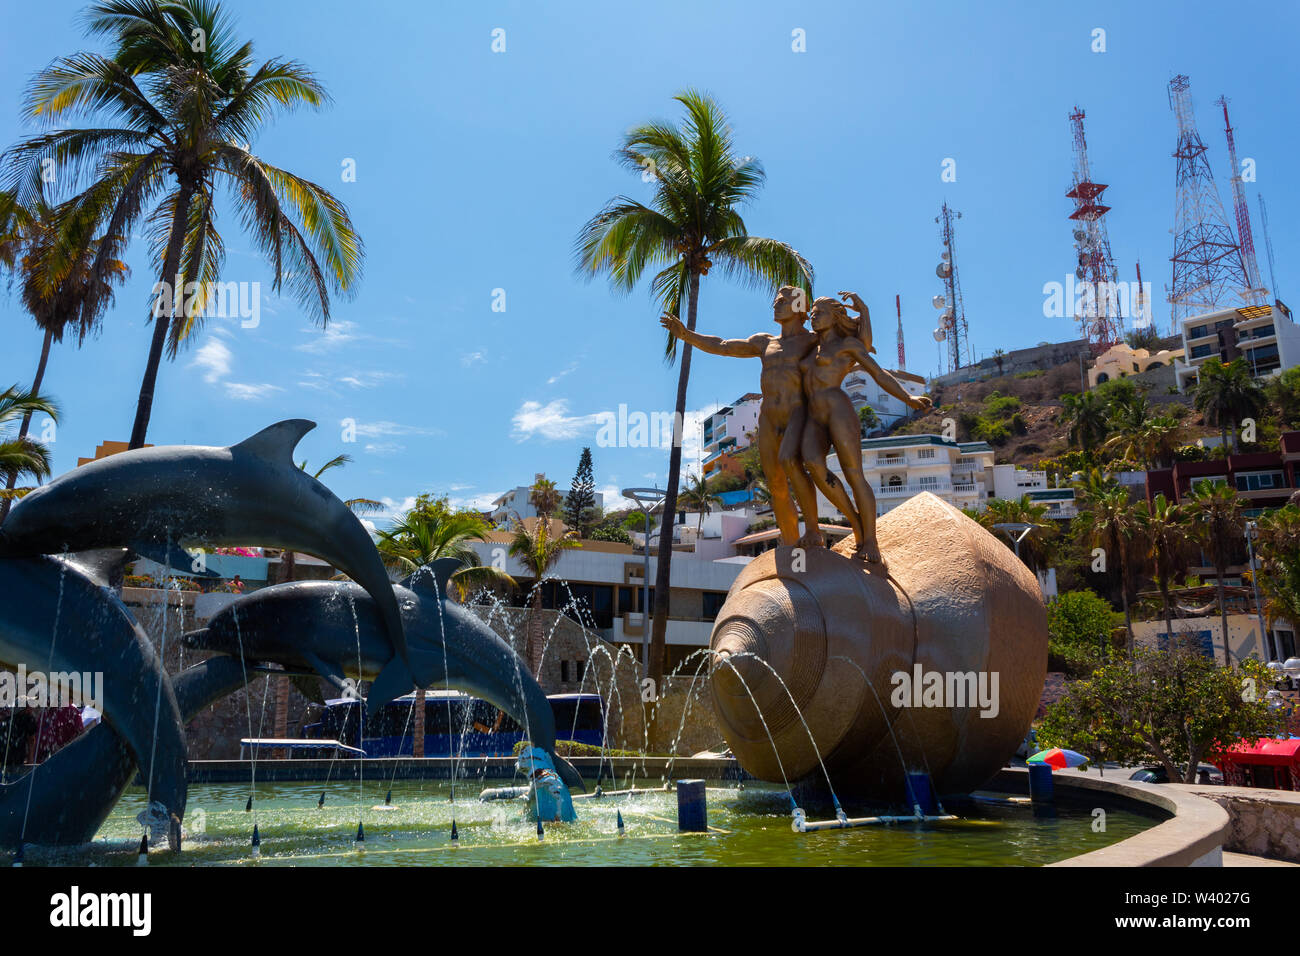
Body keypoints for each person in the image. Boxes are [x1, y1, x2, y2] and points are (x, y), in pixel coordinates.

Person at [660, 285, 824, 547]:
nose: (775, 304)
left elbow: (847, 350)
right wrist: (686, 335)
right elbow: (723, 345)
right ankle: (792, 546)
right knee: (777, 484)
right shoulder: (765, 342)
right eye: (775, 300)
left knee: (793, 467)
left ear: (798, 307)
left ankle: (814, 531)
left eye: (782, 301)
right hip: (769, 418)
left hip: (798, 414)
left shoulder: (814, 341)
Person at [782, 292, 931, 562]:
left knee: (854, 475)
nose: (813, 317)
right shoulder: (811, 345)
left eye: (820, 313)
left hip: (838, 410)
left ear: (836, 316)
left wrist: (908, 398)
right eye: (812, 313)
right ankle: (855, 522)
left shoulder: (847, 345)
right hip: (814, 415)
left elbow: (878, 373)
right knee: (813, 464)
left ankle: (870, 541)